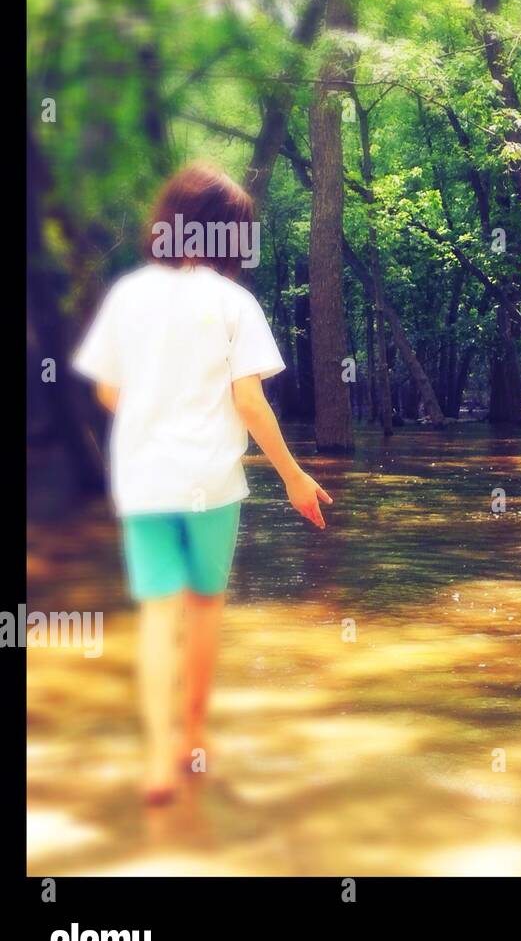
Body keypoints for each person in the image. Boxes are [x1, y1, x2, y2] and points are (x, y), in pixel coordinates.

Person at [72, 161, 332, 804]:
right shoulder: (233, 302)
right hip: (211, 484)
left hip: (143, 482)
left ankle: (158, 761)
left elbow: (108, 390)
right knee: (204, 609)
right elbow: (248, 402)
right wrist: (295, 477)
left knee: (160, 616)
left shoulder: (129, 296)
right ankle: (191, 736)